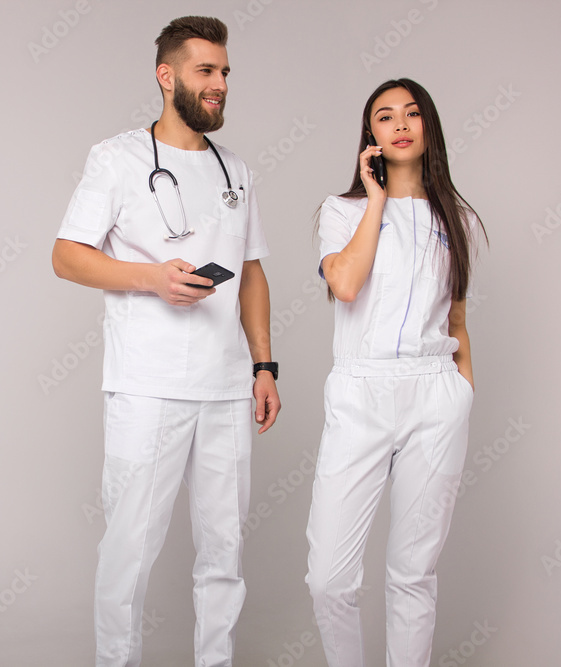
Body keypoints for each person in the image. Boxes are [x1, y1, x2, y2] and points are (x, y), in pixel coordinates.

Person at [51, 16, 280, 667]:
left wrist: (264, 365)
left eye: (226, 73)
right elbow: (66, 256)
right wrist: (150, 277)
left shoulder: (236, 170)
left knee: (224, 555)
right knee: (128, 552)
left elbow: (255, 270)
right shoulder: (117, 158)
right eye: (206, 71)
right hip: (147, 385)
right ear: (167, 75)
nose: (220, 85)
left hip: (228, 387)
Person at [305, 78, 487, 667]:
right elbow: (347, 284)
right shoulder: (342, 212)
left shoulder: (453, 216)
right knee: (329, 576)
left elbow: (456, 313)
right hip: (362, 391)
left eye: (412, 113)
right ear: (371, 135)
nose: (400, 123)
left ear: (428, 127)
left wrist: (463, 384)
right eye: (385, 116)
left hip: (436, 395)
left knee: (413, 573)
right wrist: (377, 197)